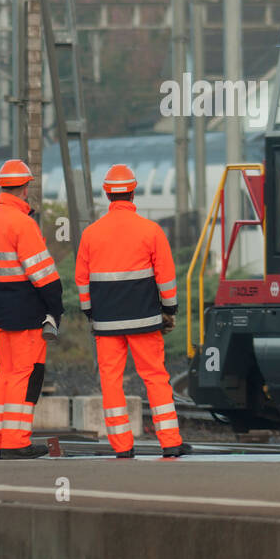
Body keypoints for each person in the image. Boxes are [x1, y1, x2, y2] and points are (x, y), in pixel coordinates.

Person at [75, 164, 191, 459]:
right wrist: (169, 308)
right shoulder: (150, 230)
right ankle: (169, 441)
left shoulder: (91, 234)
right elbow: (165, 275)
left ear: (107, 193)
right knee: (154, 376)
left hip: (106, 323)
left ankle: (122, 446)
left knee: (111, 381)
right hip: (145, 319)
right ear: (133, 191)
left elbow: (82, 279)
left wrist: (90, 313)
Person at [0, 159, 64, 459]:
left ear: (2, 187)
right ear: (25, 188)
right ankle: (16, 442)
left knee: (6, 374)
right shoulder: (22, 224)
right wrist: (56, 308)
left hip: (1, 311)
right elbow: (44, 275)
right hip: (27, 311)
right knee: (26, 375)